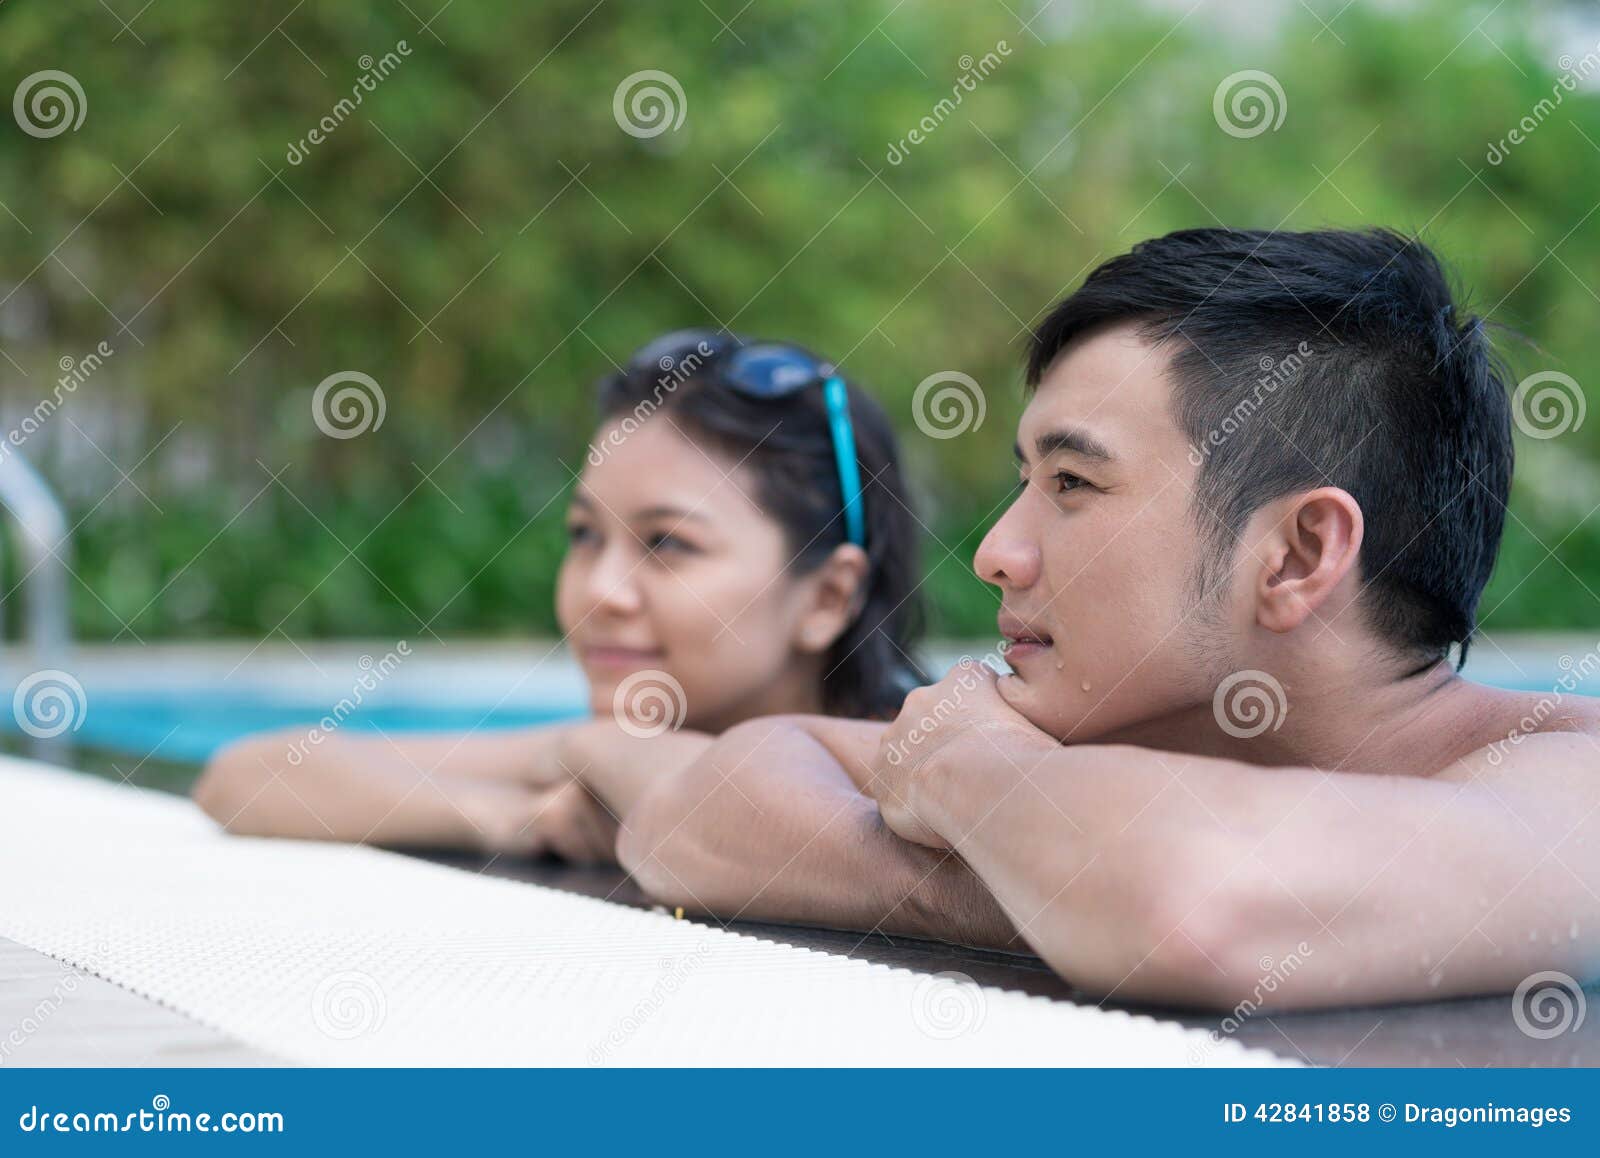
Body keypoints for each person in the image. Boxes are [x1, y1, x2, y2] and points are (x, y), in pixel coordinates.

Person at [613, 229, 1600, 1010]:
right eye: (1024, 481)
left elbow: (1191, 905)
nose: (997, 552)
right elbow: (702, 807)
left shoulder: (1571, 784)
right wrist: (1060, 870)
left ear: (1297, 554)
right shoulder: (1131, 736)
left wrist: (974, 776)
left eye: (1073, 483)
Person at [192, 330, 940, 868]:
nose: (600, 591)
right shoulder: (603, 751)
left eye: (668, 544)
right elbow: (248, 777)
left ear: (827, 596)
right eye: (585, 535)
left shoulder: (921, 771)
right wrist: (515, 815)